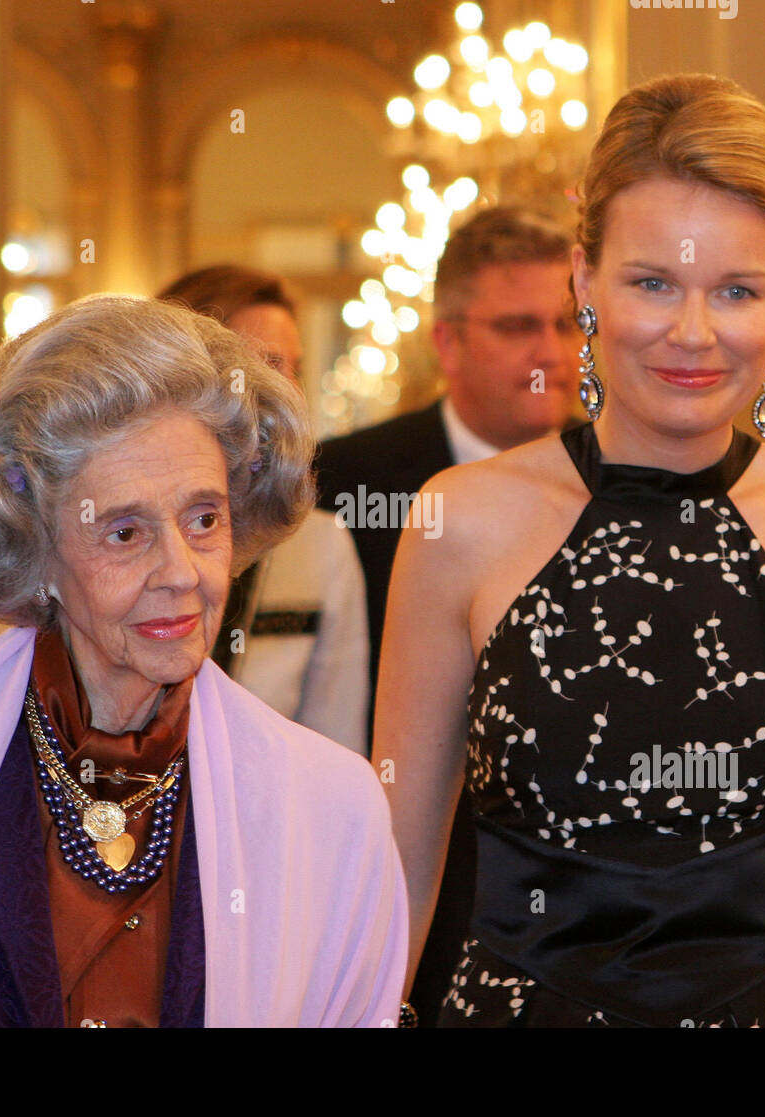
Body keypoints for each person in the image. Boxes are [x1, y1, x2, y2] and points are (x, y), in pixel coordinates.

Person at [376, 74, 765, 1027]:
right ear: (584, 281)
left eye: (735, 290)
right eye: (653, 283)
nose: (693, 334)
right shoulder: (460, 522)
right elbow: (397, 870)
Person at [0, 295, 408, 1028]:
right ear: (38, 550)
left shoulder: (331, 810)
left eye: (204, 518)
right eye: (125, 532)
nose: (182, 571)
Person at [316, 206, 579, 1022]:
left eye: (571, 323)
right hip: (400, 882)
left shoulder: (626, 477)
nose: (552, 352)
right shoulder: (346, 483)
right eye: (518, 326)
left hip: (583, 904)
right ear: (449, 343)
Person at [157, 266, 370, 755]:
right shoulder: (109, 530)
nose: (289, 395)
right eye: (266, 366)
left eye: (294, 368)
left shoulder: (319, 543)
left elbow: (335, 745)